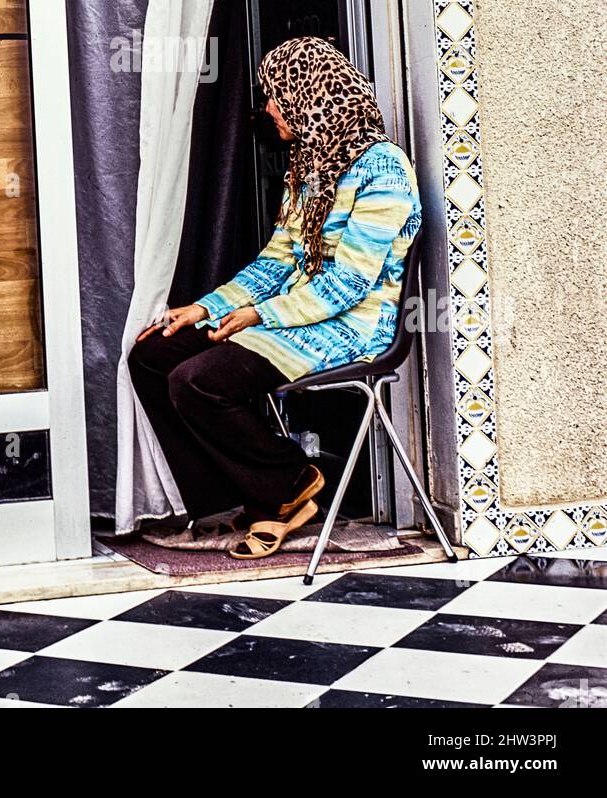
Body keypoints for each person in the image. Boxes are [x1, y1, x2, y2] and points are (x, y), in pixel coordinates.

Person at [127, 34, 422, 559]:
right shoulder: (309, 170)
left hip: (350, 325)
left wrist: (256, 315)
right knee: (153, 355)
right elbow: (276, 261)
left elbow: (350, 284)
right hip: (291, 315)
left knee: (197, 381)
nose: (267, 109)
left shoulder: (384, 170)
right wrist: (207, 308)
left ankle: (285, 488)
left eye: (276, 96)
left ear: (310, 97)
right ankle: (227, 501)